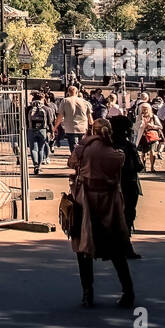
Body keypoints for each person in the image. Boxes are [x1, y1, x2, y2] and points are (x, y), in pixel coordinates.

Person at [68, 119, 135, 308]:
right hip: (109, 206)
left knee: (83, 250)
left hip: (85, 203)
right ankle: (128, 291)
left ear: (92, 130)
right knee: (117, 251)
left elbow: (71, 163)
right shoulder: (115, 154)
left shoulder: (83, 149)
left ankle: (87, 294)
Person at [110, 114, 144, 258]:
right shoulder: (129, 146)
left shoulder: (107, 145)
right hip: (128, 185)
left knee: (112, 215)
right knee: (127, 216)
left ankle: (112, 245)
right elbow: (138, 166)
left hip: (110, 185)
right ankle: (125, 246)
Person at [54, 84, 92, 155]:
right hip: (83, 127)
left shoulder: (65, 101)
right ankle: (82, 161)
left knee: (73, 146)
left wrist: (55, 127)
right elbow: (90, 118)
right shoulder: (85, 102)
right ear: (77, 93)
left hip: (70, 127)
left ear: (68, 93)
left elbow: (60, 116)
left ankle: (76, 160)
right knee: (83, 145)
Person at [25, 90, 51, 174]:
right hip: (42, 130)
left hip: (31, 129)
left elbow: (25, 120)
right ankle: (39, 166)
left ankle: (35, 165)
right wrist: (52, 131)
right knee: (41, 148)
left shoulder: (28, 108)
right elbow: (50, 122)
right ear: (42, 99)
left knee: (33, 148)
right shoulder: (46, 108)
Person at [133, 101, 162, 173]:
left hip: (152, 136)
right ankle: (144, 166)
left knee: (152, 151)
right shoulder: (138, 117)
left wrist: (153, 126)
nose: (144, 110)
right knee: (144, 152)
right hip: (143, 136)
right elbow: (135, 128)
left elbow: (160, 126)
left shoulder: (154, 117)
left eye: (146, 109)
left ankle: (152, 167)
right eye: (142, 109)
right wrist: (141, 123)